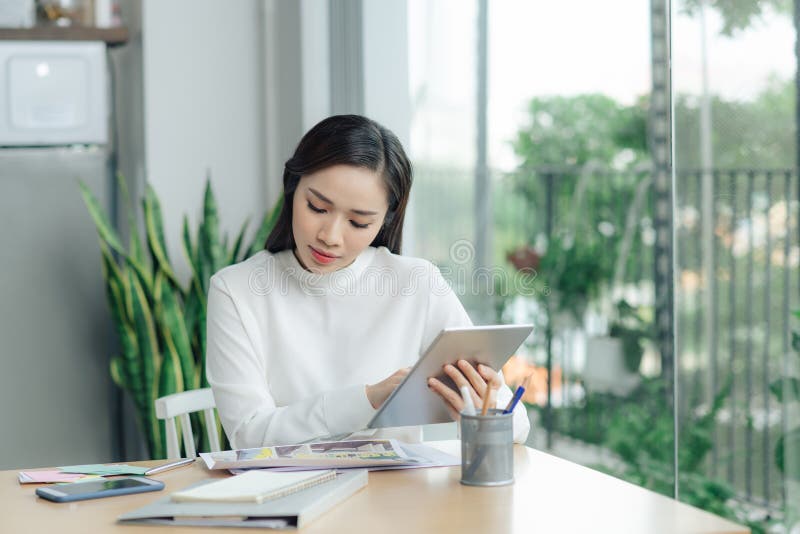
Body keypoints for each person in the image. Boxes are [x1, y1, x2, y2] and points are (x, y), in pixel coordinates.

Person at [207, 114, 530, 448]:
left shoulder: (416, 283)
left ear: (384, 221)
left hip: (395, 497)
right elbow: (249, 436)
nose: (330, 237)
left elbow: (516, 424)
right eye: (317, 207)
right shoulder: (236, 290)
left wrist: (484, 414)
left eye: (358, 223)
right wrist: (368, 399)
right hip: (289, 494)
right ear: (292, 186)